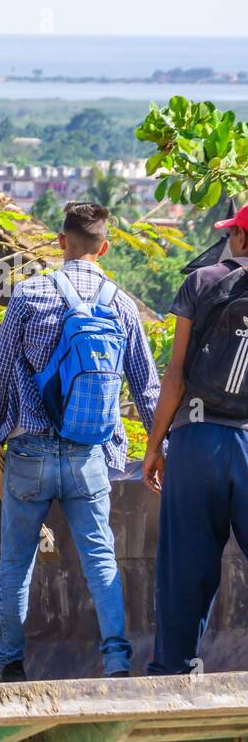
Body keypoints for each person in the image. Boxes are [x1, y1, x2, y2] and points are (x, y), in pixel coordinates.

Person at [0, 202, 160, 682]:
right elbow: (146, 387)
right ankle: (117, 661)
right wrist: (157, 448)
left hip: (30, 454)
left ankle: (10, 666)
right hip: (90, 456)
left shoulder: (29, 295)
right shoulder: (120, 303)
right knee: (101, 559)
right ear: (103, 248)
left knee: (16, 564)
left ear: (61, 242)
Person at [143, 204, 248, 675]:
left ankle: (172, 676)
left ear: (241, 239)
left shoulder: (202, 282)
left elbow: (176, 374)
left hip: (195, 439)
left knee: (184, 569)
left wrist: (154, 445)